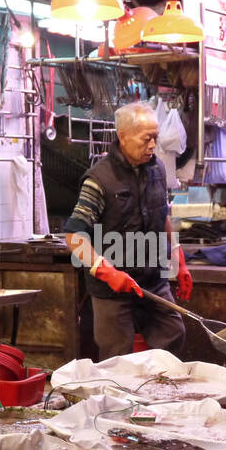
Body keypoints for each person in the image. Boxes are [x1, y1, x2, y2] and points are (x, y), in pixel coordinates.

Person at [65, 103, 193, 359]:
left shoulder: (156, 169)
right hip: (113, 289)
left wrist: (177, 256)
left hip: (152, 280)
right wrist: (107, 271)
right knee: (117, 358)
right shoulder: (99, 180)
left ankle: (155, 395)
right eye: (147, 139)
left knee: (173, 333)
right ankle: (119, 398)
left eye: (155, 138)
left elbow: (162, 214)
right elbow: (74, 236)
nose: (152, 146)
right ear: (123, 136)